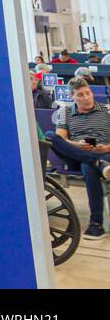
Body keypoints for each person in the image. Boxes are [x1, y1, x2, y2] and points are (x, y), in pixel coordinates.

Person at [51, 76, 110, 238]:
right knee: (50, 136)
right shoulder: (65, 113)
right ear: (72, 97)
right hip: (76, 154)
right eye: (81, 95)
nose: (86, 98)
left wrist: (106, 147)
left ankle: (96, 224)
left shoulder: (106, 110)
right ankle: (98, 163)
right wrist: (76, 145)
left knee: (88, 167)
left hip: (105, 153)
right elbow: (61, 138)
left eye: (88, 93)